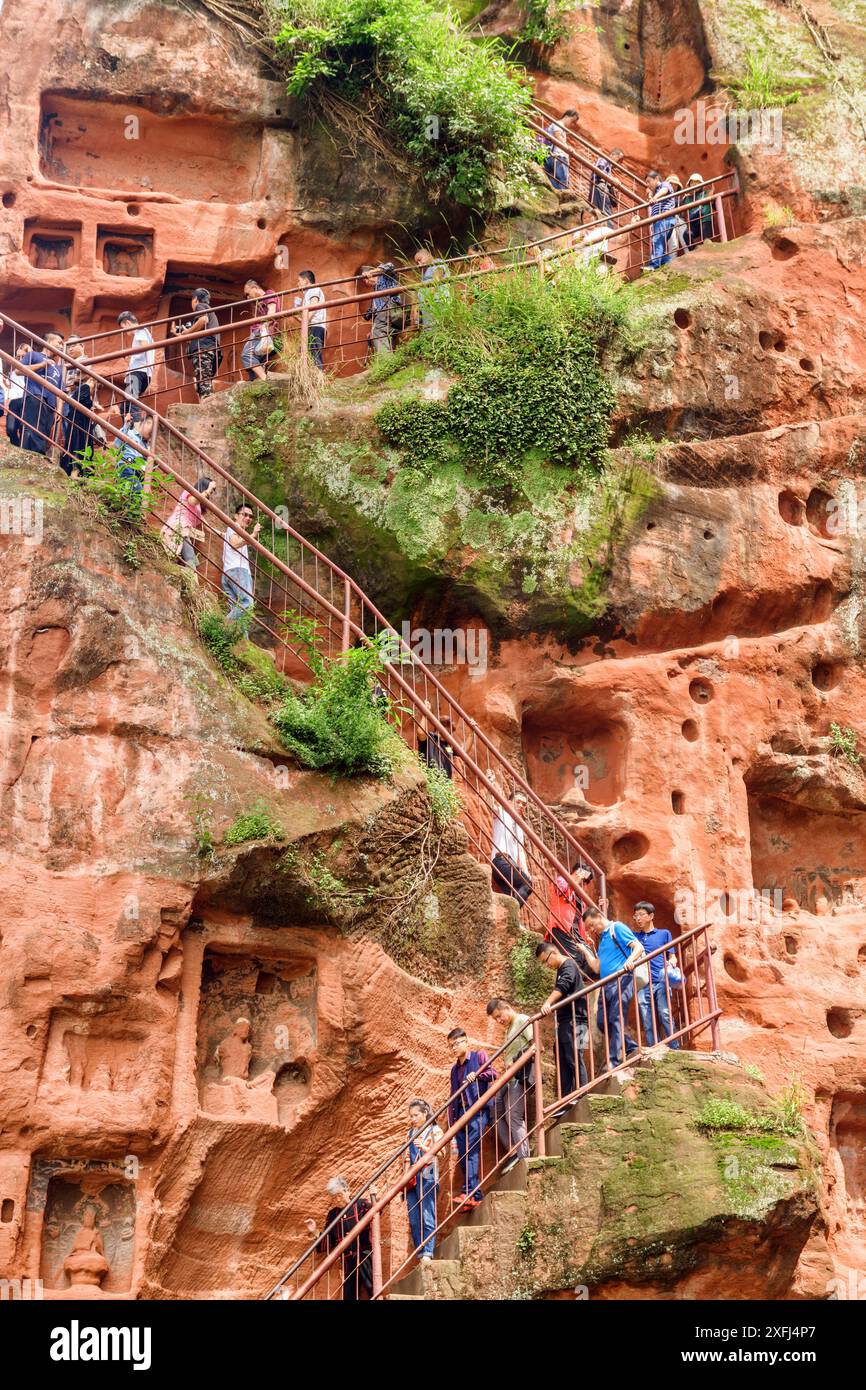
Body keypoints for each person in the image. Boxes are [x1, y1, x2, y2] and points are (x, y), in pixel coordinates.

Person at [536, 936, 597, 1111]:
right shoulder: (562, 969)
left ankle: (582, 1095)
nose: (546, 965)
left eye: (545, 961)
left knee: (574, 1058)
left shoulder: (568, 965)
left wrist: (547, 1003)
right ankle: (566, 1100)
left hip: (577, 1020)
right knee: (563, 1059)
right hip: (566, 1021)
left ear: (553, 953)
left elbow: (564, 986)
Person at [583, 904, 644, 1068]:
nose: (591, 929)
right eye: (588, 928)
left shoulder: (616, 928)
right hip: (606, 984)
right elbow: (596, 967)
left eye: (591, 925)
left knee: (616, 1018)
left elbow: (638, 947)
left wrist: (629, 962)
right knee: (602, 1022)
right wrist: (586, 951)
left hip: (621, 979)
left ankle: (614, 1060)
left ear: (599, 916)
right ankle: (630, 1046)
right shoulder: (602, 940)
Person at [305, 1176, 375, 1300]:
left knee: (360, 1261)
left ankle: (376, 1294)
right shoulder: (333, 1215)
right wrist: (315, 1231)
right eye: (334, 1197)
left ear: (347, 1191)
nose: (337, 1199)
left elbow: (376, 1212)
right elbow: (327, 1243)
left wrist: (374, 1196)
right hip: (348, 1263)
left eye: (339, 1195)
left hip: (366, 1254)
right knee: (348, 1292)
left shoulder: (360, 1204)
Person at [447, 1027, 494, 1210]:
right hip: (461, 1115)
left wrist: (478, 1075)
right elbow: (453, 1094)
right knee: (463, 1154)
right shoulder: (454, 1069)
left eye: (457, 1043)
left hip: (478, 1111)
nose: (454, 1048)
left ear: (466, 1042)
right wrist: (452, 1123)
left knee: (471, 1151)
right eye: (451, 1046)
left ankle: (469, 1192)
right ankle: (475, 1194)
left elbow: (493, 1074)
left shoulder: (478, 1056)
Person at [485, 998, 532, 1173]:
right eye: (495, 1019)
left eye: (499, 1016)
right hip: (510, 1078)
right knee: (494, 1111)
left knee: (514, 1116)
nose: (499, 1021)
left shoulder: (521, 1020)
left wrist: (517, 1063)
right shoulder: (509, 1030)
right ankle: (513, 1150)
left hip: (520, 1075)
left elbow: (536, 1046)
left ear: (507, 1007)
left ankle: (524, 1157)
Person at [632, 901, 680, 1048]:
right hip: (642, 984)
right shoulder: (634, 936)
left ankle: (675, 1048)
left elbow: (672, 956)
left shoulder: (664, 934)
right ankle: (655, 1051)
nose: (638, 918)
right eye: (635, 916)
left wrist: (672, 963)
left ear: (651, 916)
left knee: (665, 1014)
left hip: (661, 980)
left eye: (641, 914)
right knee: (647, 1021)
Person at [404, 1099, 443, 1262]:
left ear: (425, 1113)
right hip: (412, 1178)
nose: (413, 1118)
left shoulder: (435, 1130)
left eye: (416, 1115)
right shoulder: (410, 1133)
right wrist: (405, 1176)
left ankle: (428, 1251)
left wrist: (425, 1148)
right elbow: (406, 1156)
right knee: (413, 1219)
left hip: (428, 1175)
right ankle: (420, 1251)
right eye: (411, 1115)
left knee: (427, 1214)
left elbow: (442, 1153)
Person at [59, 336, 99, 477]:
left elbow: (86, 379)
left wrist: (74, 382)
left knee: (76, 434)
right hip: (68, 399)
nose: (69, 349)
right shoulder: (68, 362)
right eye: (68, 346)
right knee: (69, 433)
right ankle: (71, 464)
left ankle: (76, 467)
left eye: (73, 345)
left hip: (79, 401)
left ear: (82, 346)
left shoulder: (84, 360)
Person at [160, 475, 216, 571]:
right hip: (178, 527)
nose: (211, 493)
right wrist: (209, 489)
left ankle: (183, 579)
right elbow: (192, 501)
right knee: (191, 562)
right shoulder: (189, 492)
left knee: (194, 563)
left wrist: (225, 533)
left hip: (184, 530)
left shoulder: (198, 507)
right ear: (204, 486)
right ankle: (190, 583)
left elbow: (208, 527)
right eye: (212, 490)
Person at [172, 289, 221, 398]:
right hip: (211, 348)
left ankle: (208, 408)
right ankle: (208, 404)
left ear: (195, 299)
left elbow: (203, 320)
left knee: (203, 383)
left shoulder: (200, 306)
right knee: (204, 382)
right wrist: (182, 334)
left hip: (204, 349)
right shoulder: (209, 310)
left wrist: (188, 332)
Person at [19, 333, 63, 454]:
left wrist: (59, 409)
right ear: (48, 342)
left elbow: (60, 391)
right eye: (59, 343)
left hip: (51, 403)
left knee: (44, 432)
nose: (61, 346)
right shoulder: (33, 355)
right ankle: (28, 456)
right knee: (32, 428)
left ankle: (39, 456)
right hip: (35, 394)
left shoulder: (59, 368)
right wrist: (42, 364)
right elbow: (18, 370)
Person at [491, 790, 533, 903]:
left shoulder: (520, 827)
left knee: (512, 895)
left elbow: (521, 851)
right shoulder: (502, 814)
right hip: (501, 860)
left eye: (524, 804)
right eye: (518, 802)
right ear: (509, 802)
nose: (521, 806)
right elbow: (492, 805)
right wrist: (491, 784)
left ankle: (507, 916)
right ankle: (511, 916)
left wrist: (526, 871)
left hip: (511, 865)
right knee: (527, 884)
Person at [221, 501, 260, 623]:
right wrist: (252, 535)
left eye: (250, 516)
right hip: (237, 571)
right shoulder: (234, 527)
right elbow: (234, 544)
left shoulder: (235, 531)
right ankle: (223, 627)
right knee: (247, 604)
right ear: (236, 516)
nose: (248, 518)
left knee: (240, 616)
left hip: (228, 573)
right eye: (244, 514)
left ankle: (241, 640)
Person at [117, 312, 154, 424]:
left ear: (128, 323)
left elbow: (144, 346)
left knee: (132, 403)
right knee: (125, 407)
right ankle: (130, 432)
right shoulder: (145, 332)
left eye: (124, 328)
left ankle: (137, 433)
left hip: (138, 373)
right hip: (143, 373)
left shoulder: (140, 331)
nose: (125, 332)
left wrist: (128, 352)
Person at [241, 279, 280, 381]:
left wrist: (264, 326)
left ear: (254, 288)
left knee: (246, 355)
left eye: (248, 294)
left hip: (262, 332)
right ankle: (254, 381)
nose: (248, 297)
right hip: (261, 332)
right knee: (254, 361)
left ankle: (264, 379)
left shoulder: (269, 294)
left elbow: (272, 311)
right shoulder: (259, 302)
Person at [363, 263, 401, 355]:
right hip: (389, 316)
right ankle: (393, 362)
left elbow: (390, 265)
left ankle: (387, 361)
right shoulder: (375, 290)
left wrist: (371, 271)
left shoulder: (384, 277)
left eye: (366, 279)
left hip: (391, 310)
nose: (367, 283)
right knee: (388, 336)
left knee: (378, 330)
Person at [646, 170, 677, 270]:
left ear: (656, 179)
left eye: (648, 181)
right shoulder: (655, 191)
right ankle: (669, 263)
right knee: (660, 244)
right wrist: (651, 194)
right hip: (660, 220)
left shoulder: (665, 184)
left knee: (657, 241)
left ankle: (653, 266)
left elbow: (665, 190)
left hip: (664, 218)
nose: (647, 184)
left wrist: (654, 197)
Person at [412, 248, 450, 332]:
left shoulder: (437, 262)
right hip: (427, 306)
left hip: (436, 302)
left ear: (428, 255)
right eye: (417, 263)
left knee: (437, 329)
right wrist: (417, 307)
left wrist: (429, 295)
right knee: (429, 330)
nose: (419, 264)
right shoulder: (425, 273)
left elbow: (437, 276)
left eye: (420, 260)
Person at [297, 270, 327, 369]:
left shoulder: (313, 289)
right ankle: (313, 378)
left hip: (316, 326)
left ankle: (319, 378)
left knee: (315, 355)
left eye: (299, 281)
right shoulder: (309, 292)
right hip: (313, 326)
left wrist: (305, 320)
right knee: (311, 354)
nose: (298, 284)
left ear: (306, 281)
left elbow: (314, 305)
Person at [541, 110, 577, 191]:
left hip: (552, 156)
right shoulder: (559, 124)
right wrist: (567, 147)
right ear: (567, 116)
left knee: (554, 182)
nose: (572, 124)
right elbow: (557, 135)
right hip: (557, 157)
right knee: (562, 182)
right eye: (572, 121)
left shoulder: (560, 126)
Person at [418, 712, 455, 779]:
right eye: (449, 731)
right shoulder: (429, 737)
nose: (450, 734)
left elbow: (463, 750)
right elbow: (420, 733)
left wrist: (471, 735)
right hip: (429, 779)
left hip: (443, 784)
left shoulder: (447, 745)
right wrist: (425, 713)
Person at [5, 343, 28, 447]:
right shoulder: (12, 371)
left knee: (25, 428)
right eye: (18, 357)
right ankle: (17, 447)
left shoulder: (32, 369)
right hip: (14, 401)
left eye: (23, 356)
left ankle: (24, 450)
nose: (20, 359)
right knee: (10, 429)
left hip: (27, 400)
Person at [588, 147, 622, 216]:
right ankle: (608, 225)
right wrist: (612, 179)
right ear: (613, 155)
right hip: (599, 187)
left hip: (599, 188)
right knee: (606, 212)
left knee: (596, 212)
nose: (619, 163)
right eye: (619, 159)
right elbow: (599, 171)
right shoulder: (604, 159)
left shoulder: (608, 165)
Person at [684, 172, 713, 248]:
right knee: (686, 234)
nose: (694, 184)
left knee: (707, 242)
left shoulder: (707, 193)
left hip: (705, 220)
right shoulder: (687, 198)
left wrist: (712, 193)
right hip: (694, 224)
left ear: (701, 184)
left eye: (697, 182)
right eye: (692, 183)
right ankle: (694, 252)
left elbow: (713, 203)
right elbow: (676, 204)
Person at [665, 175, 690, 257]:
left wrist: (684, 199)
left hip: (678, 219)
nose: (673, 186)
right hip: (668, 220)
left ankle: (690, 257)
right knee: (673, 245)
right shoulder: (662, 196)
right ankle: (672, 264)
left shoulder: (679, 198)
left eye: (675, 185)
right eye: (671, 184)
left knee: (685, 239)